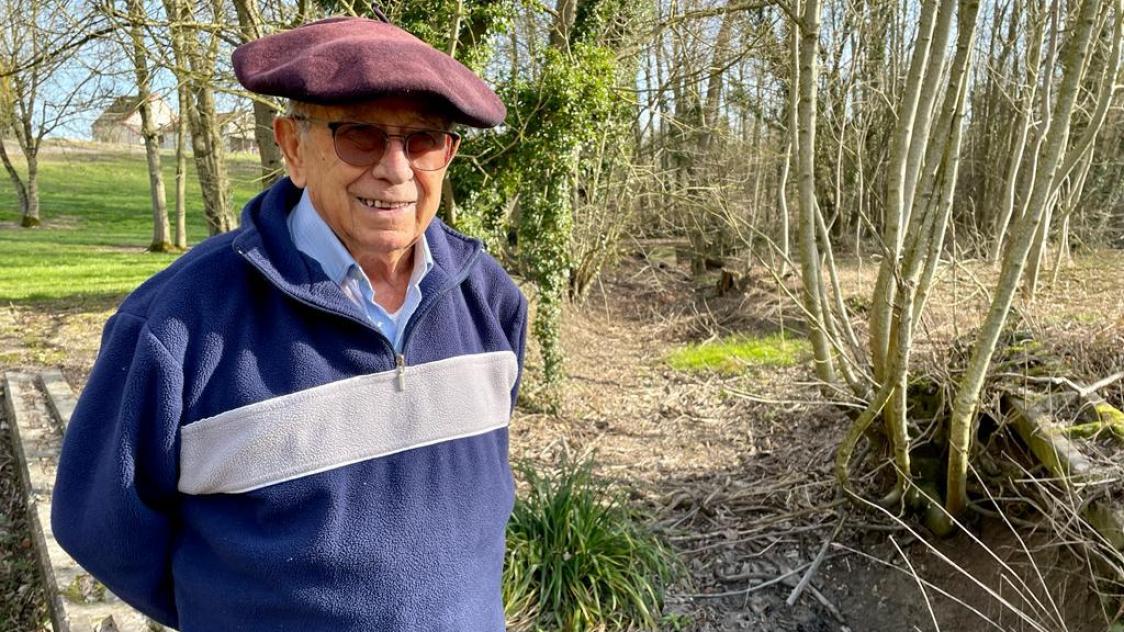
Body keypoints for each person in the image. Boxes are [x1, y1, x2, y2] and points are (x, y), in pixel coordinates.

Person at [51, 15, 527, 632]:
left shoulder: (488, 299)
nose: (396, 168)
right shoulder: (178, 326)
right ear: (294, 147)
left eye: (423, 140)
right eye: (360, 136)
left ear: (449, 154)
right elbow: (101, 529)